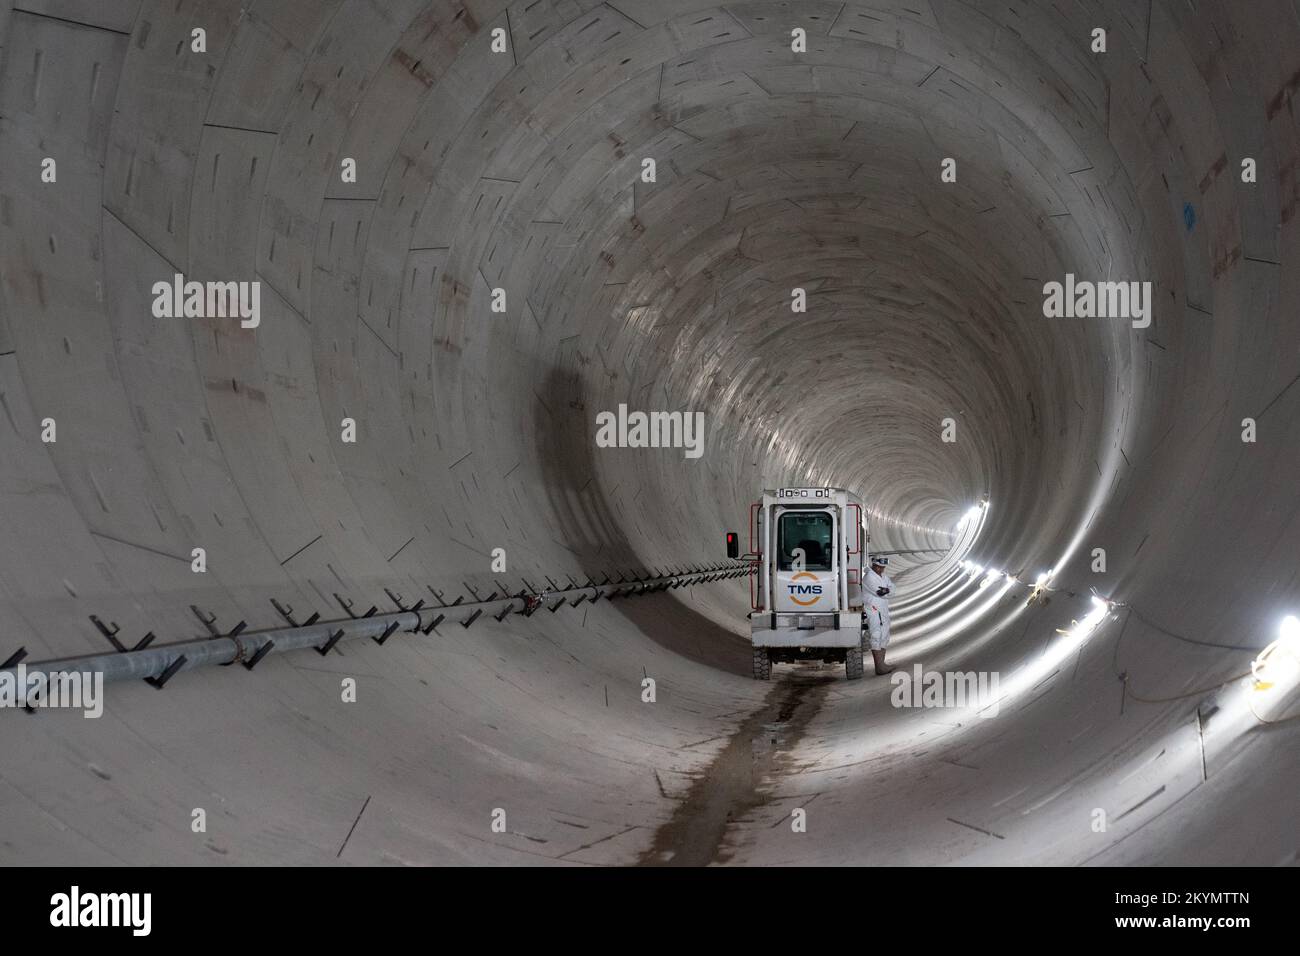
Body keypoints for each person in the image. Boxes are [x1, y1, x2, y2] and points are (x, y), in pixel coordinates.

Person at [861, 556, 895, 675]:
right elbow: (879, 593)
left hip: (883, 609)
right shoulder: (869, 577)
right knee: (876, 634)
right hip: (873, 609)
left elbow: (893, 589)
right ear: (874, 565)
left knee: (885, 634)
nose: (881, 570)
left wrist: (887, 591)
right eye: (879, 567)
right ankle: (879, 667)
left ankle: (882, 664)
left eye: (883, 567)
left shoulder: (883, 577)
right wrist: (886, 591)